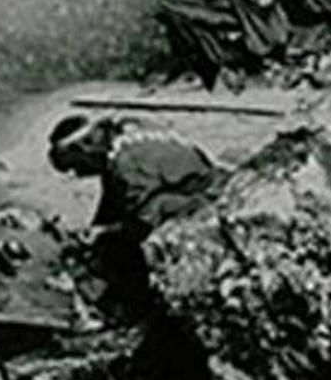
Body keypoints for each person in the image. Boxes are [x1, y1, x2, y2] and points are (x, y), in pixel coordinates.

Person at [47, 112, 224, 307]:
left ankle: (134, 303)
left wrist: (103, 234)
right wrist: (97, 229)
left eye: (75, 166)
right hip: (192, 176)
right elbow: (112, 197)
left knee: (134, 238)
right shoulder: (120, 133)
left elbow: (137, 222)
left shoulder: (127, 164)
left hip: (204, 195)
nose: (78, 174)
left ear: (84, 148)